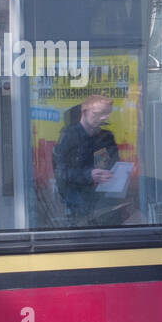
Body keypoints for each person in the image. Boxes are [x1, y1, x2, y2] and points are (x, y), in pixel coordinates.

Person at [52, 95, 120, 225]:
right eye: (98, 113)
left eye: (107, 114)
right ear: (84, 112)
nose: (103, 118)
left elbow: (114, 163)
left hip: (105, 200)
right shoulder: (69, 137)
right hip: (77, 201)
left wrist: (122, 169)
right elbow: (60, 172)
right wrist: (88, 175)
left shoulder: (106, 137)